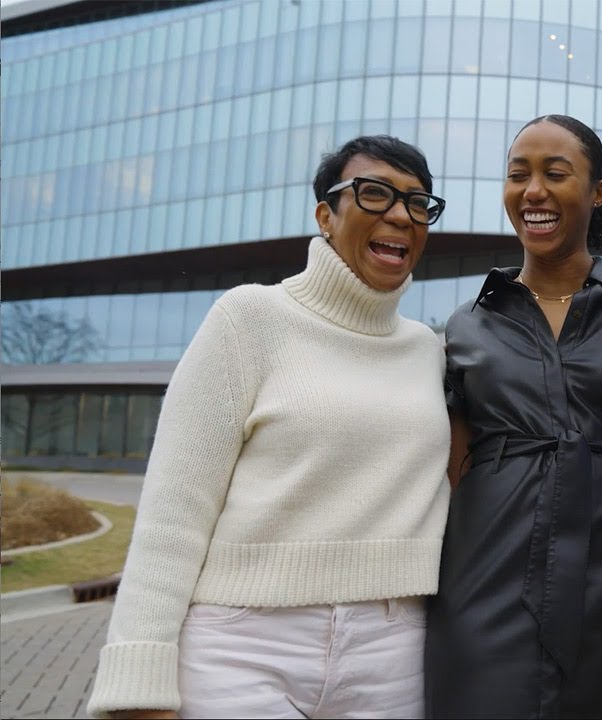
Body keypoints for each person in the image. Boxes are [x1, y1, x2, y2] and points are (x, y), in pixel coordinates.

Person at [87, 135, 452, 720]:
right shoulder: (248, 319)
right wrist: (138, 680)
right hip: (242, 647)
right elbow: (174, 514)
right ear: (325, 216)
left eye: (417, 203)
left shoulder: (429, 353)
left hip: (395, 649)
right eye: (374, 193)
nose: (399, 215)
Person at [427, 114, 602, 719]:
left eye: (554, 174)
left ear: (597, 193)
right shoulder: (467, 325)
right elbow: (450, 465)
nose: (532, 190)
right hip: (485, 577)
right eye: (518, 175)